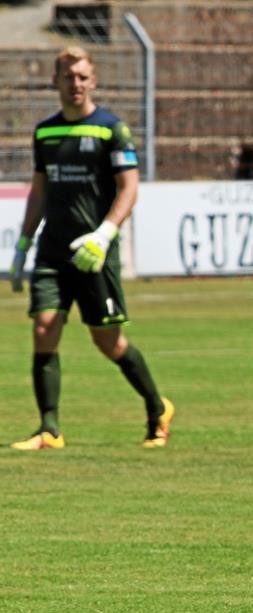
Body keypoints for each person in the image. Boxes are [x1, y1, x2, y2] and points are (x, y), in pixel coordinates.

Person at [9, 46, 173, 450]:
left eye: (83, 77)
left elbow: (129, 187)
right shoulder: (45, 132)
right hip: (53, 251)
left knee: (108, 342)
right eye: (68, 77)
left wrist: (103, 235)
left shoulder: (111, 129)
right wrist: (23, 243)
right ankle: (49, 429)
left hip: (95, 255)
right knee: (44, 327)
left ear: (93, 81)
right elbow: (40, 191)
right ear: (56, 82)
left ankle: (157, 407)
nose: (76, 84)